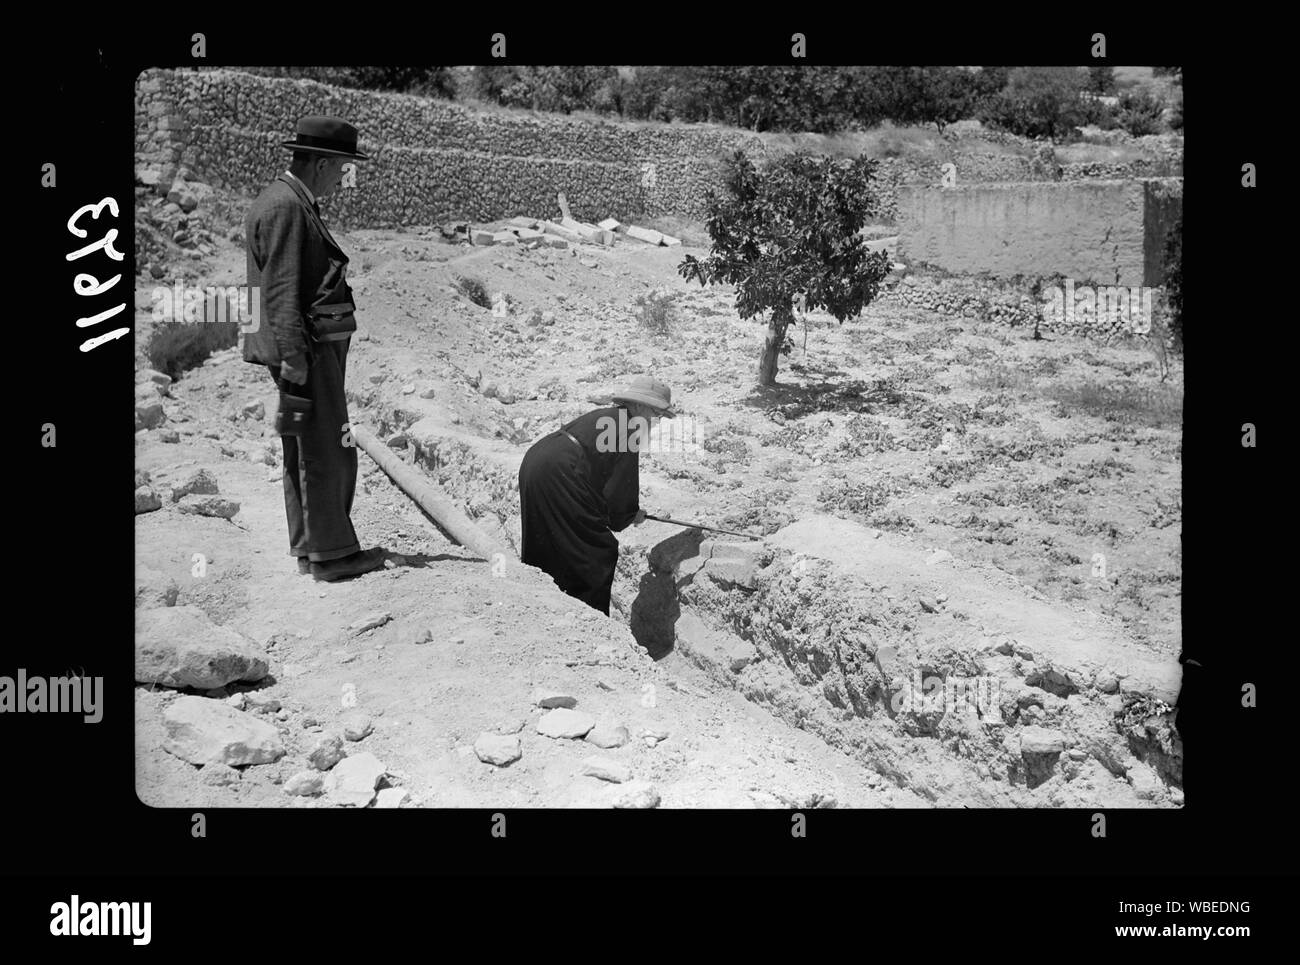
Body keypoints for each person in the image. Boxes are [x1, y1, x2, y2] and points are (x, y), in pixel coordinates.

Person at [243, 116, 384, 582]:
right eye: (343, 167)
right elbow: (281, 291)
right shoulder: (286, 206)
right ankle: (335, 557)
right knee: (326, 450)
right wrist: (296, 361)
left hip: (303, 347)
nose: (346, 177)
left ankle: (313, 548)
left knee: (307, 447)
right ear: (322, 164)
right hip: (305, 350)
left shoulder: (286, 200)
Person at [518, 375, 675, 615]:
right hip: (557, 472)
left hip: (538, 463)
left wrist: (621, 512)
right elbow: (621, 484)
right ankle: (587, 621)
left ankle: (545, 610)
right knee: (597, 551)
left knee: (549, 544)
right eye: (656, 413)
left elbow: (601, 477)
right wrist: (628, 514)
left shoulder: (613, 419)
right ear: (640, 405)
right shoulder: (629, 427)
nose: (656, 421)